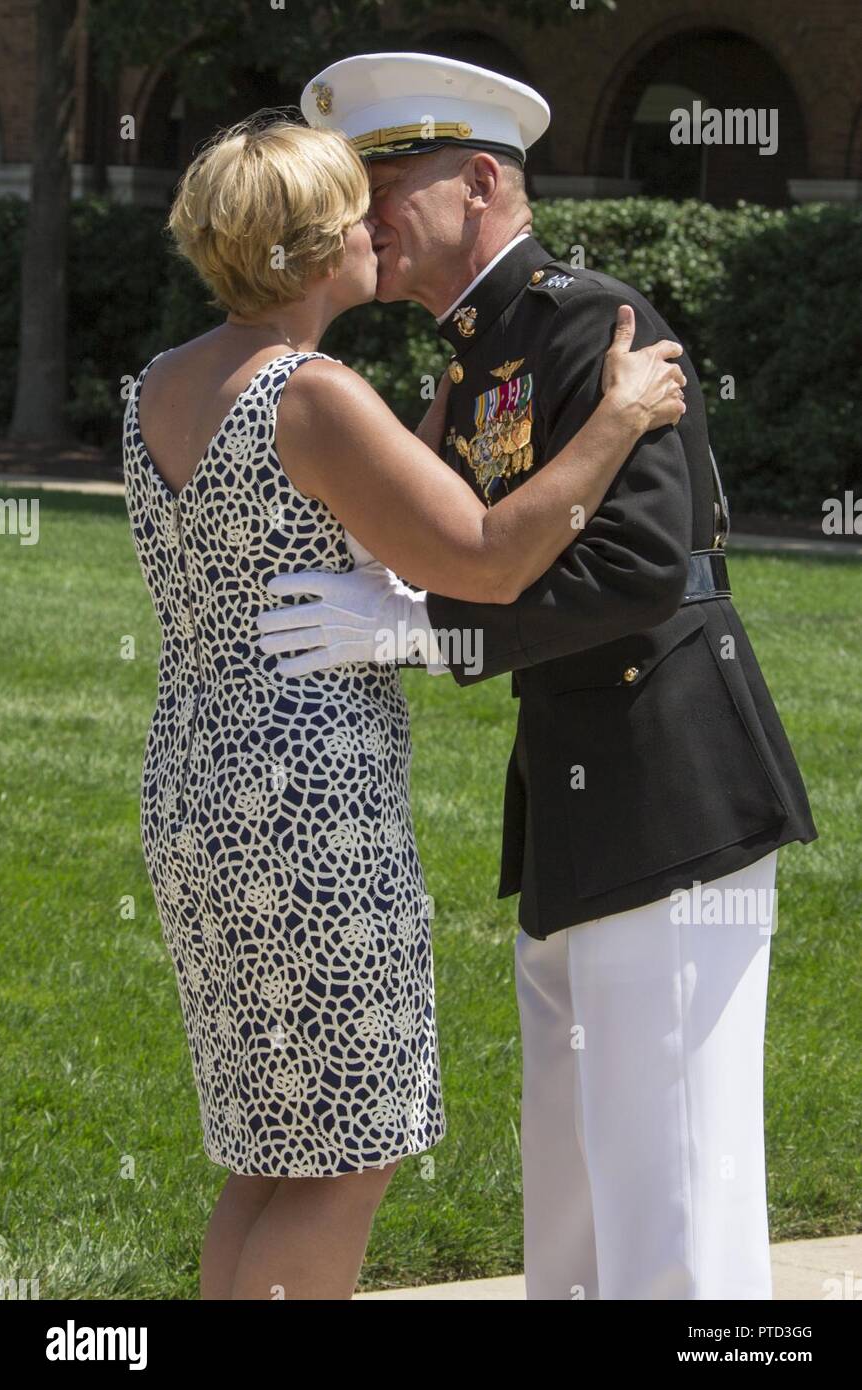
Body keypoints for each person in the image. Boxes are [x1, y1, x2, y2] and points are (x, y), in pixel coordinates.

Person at [258, 52, 819, 1300]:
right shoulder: (474, 352)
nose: (361, 217)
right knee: (570, 1202)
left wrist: (424, 633)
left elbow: (637, 571)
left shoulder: (587, 321)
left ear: (476, 182)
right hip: (579, 794)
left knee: (672, 1194)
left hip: (668, 783)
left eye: (382, 182)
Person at [121, 111, 684, 1301]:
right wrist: (617, 419)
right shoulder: (315, 395)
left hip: (193, 786)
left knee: (271, 1148)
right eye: (353, 211)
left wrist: (431, 421)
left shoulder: (157, 391)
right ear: (313, 249)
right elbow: (480, 556)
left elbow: (354, 509)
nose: (376, 226)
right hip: (309, 810)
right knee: (346, 1156)